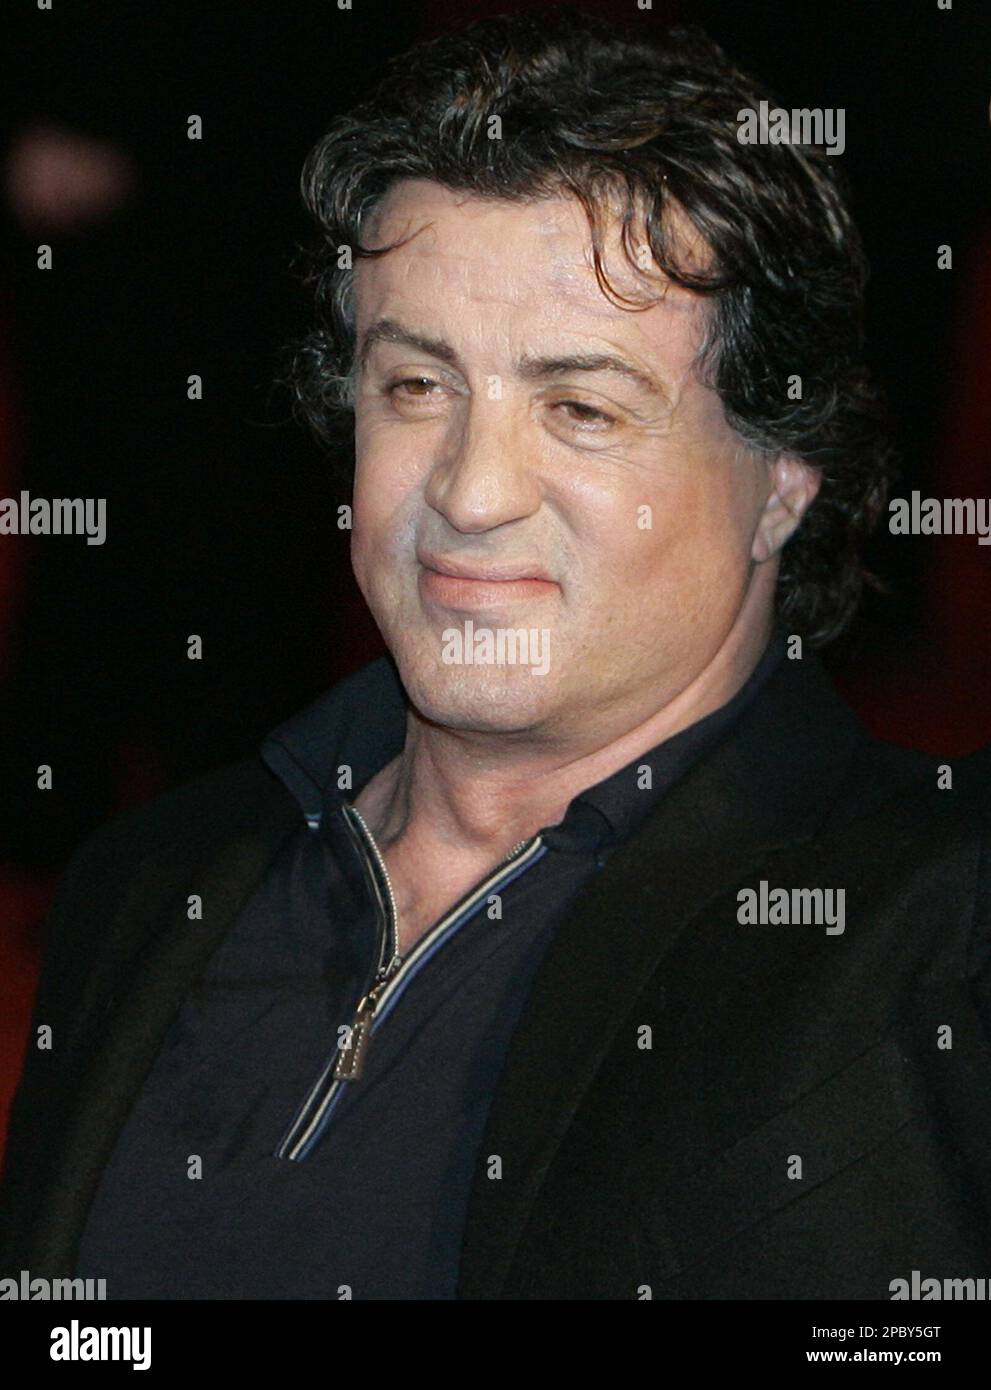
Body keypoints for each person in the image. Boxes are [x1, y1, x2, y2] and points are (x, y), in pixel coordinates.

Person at [2, 9, 989, 1301]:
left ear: (785, 480)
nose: (470, 491)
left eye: (581, 408)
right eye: (417, 387)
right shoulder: (146, 886)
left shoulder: (926, 940)